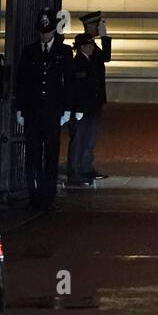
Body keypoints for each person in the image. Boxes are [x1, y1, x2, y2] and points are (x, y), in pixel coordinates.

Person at [15, 6, 72, 210]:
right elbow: (21, 82)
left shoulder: (64, 52)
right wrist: (19, 109)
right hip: (32, 110)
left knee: (51, 154)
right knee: (32, 155)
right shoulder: (29, 51)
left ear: (53, 31)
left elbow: (68, 82)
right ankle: (34, 196)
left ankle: (48, 197)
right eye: (42, 31)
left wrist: (67, 109)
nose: (45, 35)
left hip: (52, 111)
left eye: (47, 31)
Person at [66, 11, 110, 186]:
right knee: (80, 138)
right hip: (83, 106)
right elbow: (77, 88)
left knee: (89, 138)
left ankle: (85, 168)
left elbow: (104, 57)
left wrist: (105, 38)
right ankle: (76, 170)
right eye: (97, 25)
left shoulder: (92, 51)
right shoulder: (80, 59)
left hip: (93, 104)